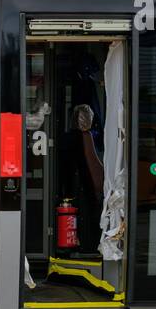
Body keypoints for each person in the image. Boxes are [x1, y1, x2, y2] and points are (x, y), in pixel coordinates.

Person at [59, 103, 104, 253]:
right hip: (84, 187)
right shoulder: (87, 137)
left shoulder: (65, 138)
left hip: (69, 187)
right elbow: (95, 168)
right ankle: (86, 246)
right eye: (86, 117)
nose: (88, 120)